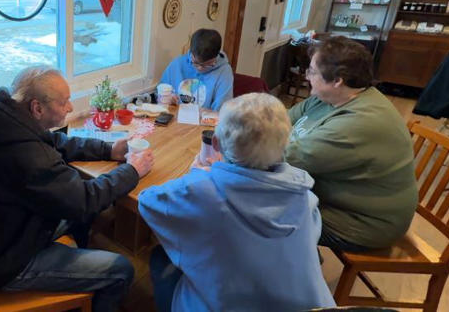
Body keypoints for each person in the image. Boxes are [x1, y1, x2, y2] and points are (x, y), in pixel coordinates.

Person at [0, 66, 154, 312]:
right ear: (37, 108)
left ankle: (78, 278)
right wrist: (132, 171)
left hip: (6, 231)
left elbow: (56, 142)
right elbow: (84, 200)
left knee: (81, 214)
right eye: (64, 102)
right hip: (6, 261)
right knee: (121, 270)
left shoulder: (6, 121)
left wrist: (108, 150)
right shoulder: (27, 155)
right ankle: (83, 281)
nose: (70, 107)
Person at [138, 93, 335, 312]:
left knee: (160, 257)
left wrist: (197, 175)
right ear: (285, 144)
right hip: (308, 305)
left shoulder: (202, 189)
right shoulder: (306, 196)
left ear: (216, 143)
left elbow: (147, 201)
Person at [286, 36, 417, 252]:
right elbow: (279, 120)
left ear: (337, 80)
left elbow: (285, 158)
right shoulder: (327, 97)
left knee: (265, 214)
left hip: (362, 222)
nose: (307, 76)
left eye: (312, 71)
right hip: (335, 201)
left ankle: (298, 270)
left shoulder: (360, 122)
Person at [159, 28, 234, 110]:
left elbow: (222, 110)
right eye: (195, 63)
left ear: (216, 57)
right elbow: (160, 93)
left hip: (206, 117)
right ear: (191, 52)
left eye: (207, 65)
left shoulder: (224, 72)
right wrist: (167, 98)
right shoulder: (177, 64)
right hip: (175, 116)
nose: (200, 68)